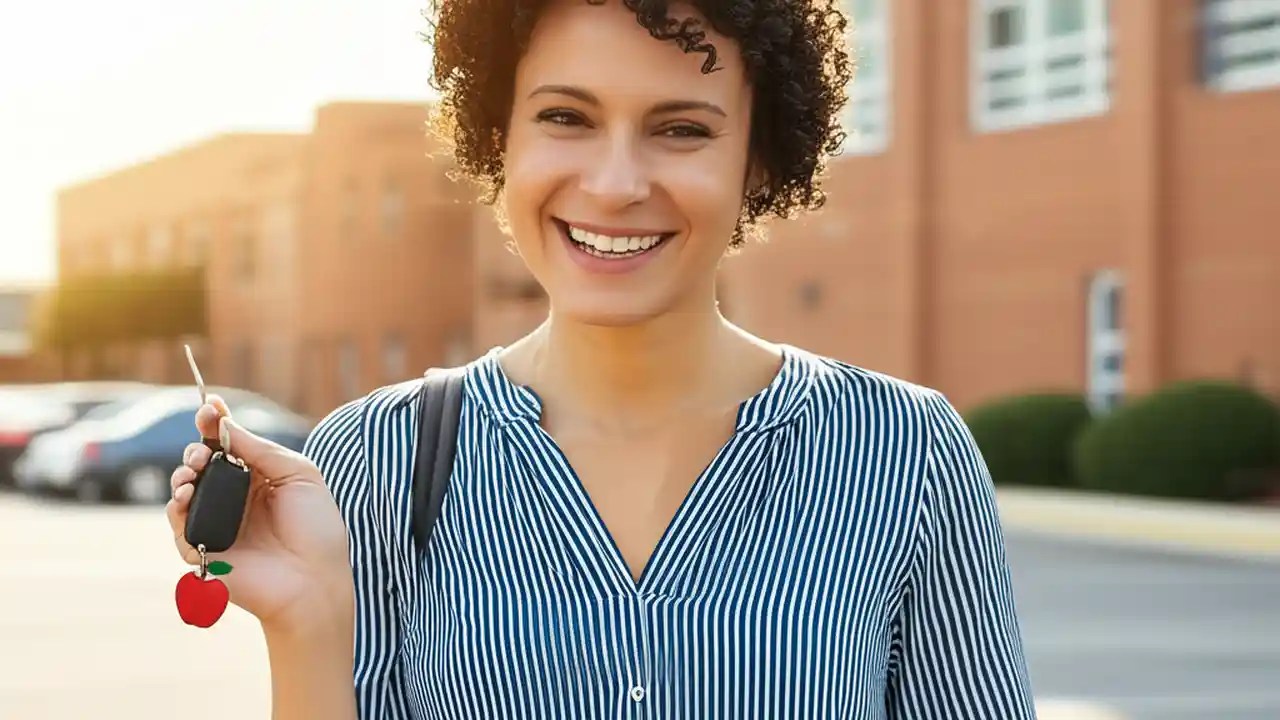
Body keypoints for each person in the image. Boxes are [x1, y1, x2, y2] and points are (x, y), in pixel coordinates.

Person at [167, 0, 1039, 717]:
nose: (617, 182)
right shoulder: (373, 459)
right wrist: (308, 620)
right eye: (565, 117)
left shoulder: (904, 449)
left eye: (683, 129)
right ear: (500, 140)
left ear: (759, 158)